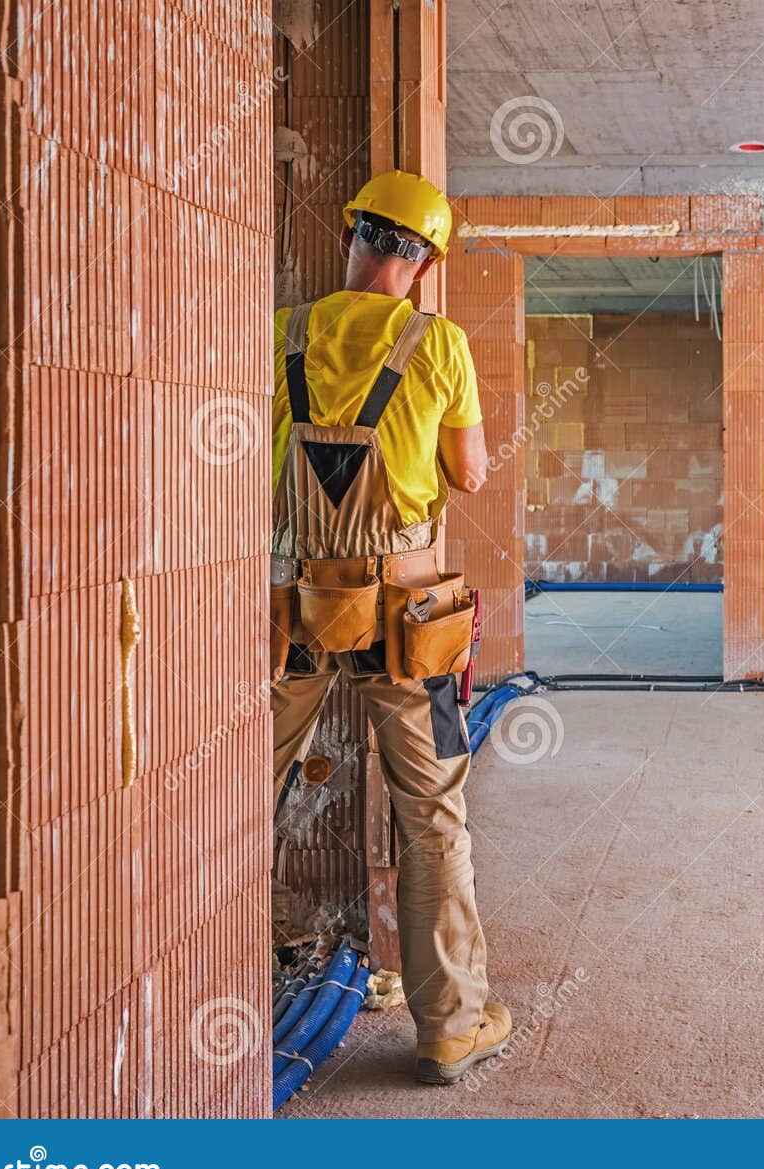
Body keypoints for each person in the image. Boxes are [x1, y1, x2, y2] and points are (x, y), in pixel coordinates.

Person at [269, 170, 508, 1084]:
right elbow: (472, 473)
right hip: (406, 622)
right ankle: (450, 1025)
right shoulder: (439, 344)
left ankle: (216, 976)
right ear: (426, 264)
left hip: (293, 606)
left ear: (351, 238)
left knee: (238, 790)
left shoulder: (283, 332)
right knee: (433, 815)